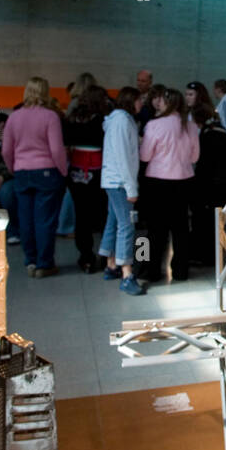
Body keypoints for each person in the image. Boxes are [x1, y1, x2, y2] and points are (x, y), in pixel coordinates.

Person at [2, 76, 68, 278]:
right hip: (46, 171)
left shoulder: (14, 117)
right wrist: (63, 170)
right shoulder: (50, 116)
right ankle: (44, 264)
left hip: (21, 171)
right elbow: (56, 149)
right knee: (45, 220)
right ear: (45, 92)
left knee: (26, 219)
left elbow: (6, 150)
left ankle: (30, 260)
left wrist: (13, 168)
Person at [139, 87, 199, 283]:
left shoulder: (155, 124)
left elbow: (145, 155)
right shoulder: (190, 126)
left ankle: (151, 269)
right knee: (181, 229)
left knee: (154, 230)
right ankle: (181, 271)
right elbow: (195, 156)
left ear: (166, 103)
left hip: (157, 182)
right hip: (184, 181)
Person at [99, 87, 145, 295]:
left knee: (114, 221)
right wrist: (131, 187)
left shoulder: (119, 120)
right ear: (130, 100)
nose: (141, 104)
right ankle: (127, 274)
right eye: (139, 100)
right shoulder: (122, 121)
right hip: (119, 182)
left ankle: (110, 265)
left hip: (114, 180)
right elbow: (124, 158)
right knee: (126, 226)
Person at [65, 84, 109, 273]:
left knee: (81, 216)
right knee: (103, 214)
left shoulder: (73, 118)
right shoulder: (103, 120)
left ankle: (86, 257)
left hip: (76, 168)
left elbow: (66, 141)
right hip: (99, 168)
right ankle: (107, 256)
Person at [189, 99, 226, 264]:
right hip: (220, 185)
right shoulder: (219, 130)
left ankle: (204, 255)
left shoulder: (210, 134)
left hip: (210, 186)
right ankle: (209, 255)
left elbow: (204, 164)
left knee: (204, 222)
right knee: (212, 222)